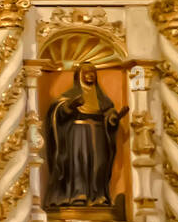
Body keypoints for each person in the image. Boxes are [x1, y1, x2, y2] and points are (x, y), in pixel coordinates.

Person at [45, 63, 128, 209]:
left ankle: (98, 196)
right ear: (79, 76)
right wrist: (69, 106)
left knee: (99, 163)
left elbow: (108, 112)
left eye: (93, 72)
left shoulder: (102, 98)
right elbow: (57, 113)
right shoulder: (70, 96)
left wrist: (113, 118)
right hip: (77, 133)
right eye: (87, 72)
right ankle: (78, 194)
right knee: (78, 163)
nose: (90, 75)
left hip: (98, 132)